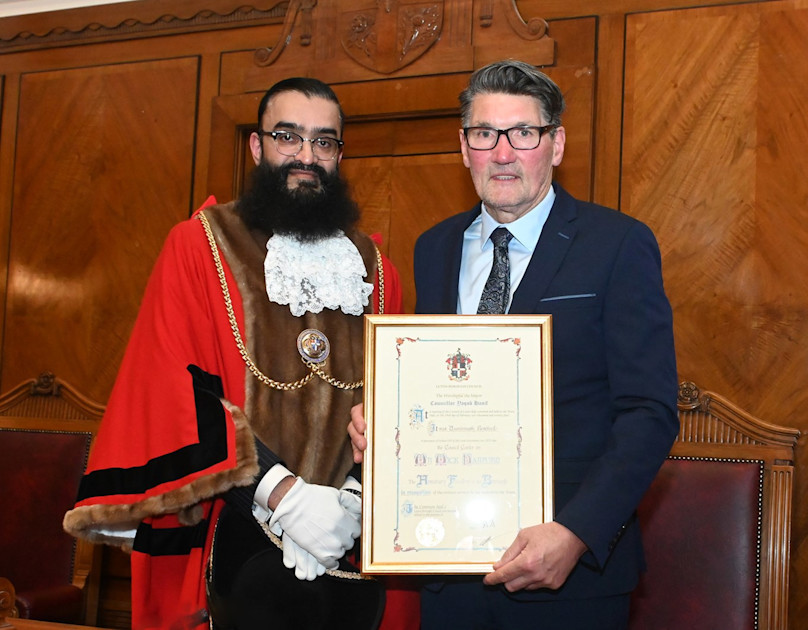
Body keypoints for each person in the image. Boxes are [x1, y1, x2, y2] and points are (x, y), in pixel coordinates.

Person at [64, 77, 418, 630]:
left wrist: (352, 497)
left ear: (340, 154)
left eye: (324, 142)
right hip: (225, 542)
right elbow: (174, 390)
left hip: (349, 550)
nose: (306, 155)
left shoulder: (376, 271)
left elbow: (395, 401)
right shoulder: (199, 245)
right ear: (257, 147)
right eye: (288, 136)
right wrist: (283, 495)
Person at [348, 59, 679, 629]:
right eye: (484, 134)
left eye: (524, 132)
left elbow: (648, 413)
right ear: (464, 146)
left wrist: (576, 533)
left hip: (571, 580)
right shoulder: (435, 247)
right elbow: (437, 380)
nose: (503, 153)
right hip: (447, 569)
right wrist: (383, 423)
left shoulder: (618, 244)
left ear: (555, 145)